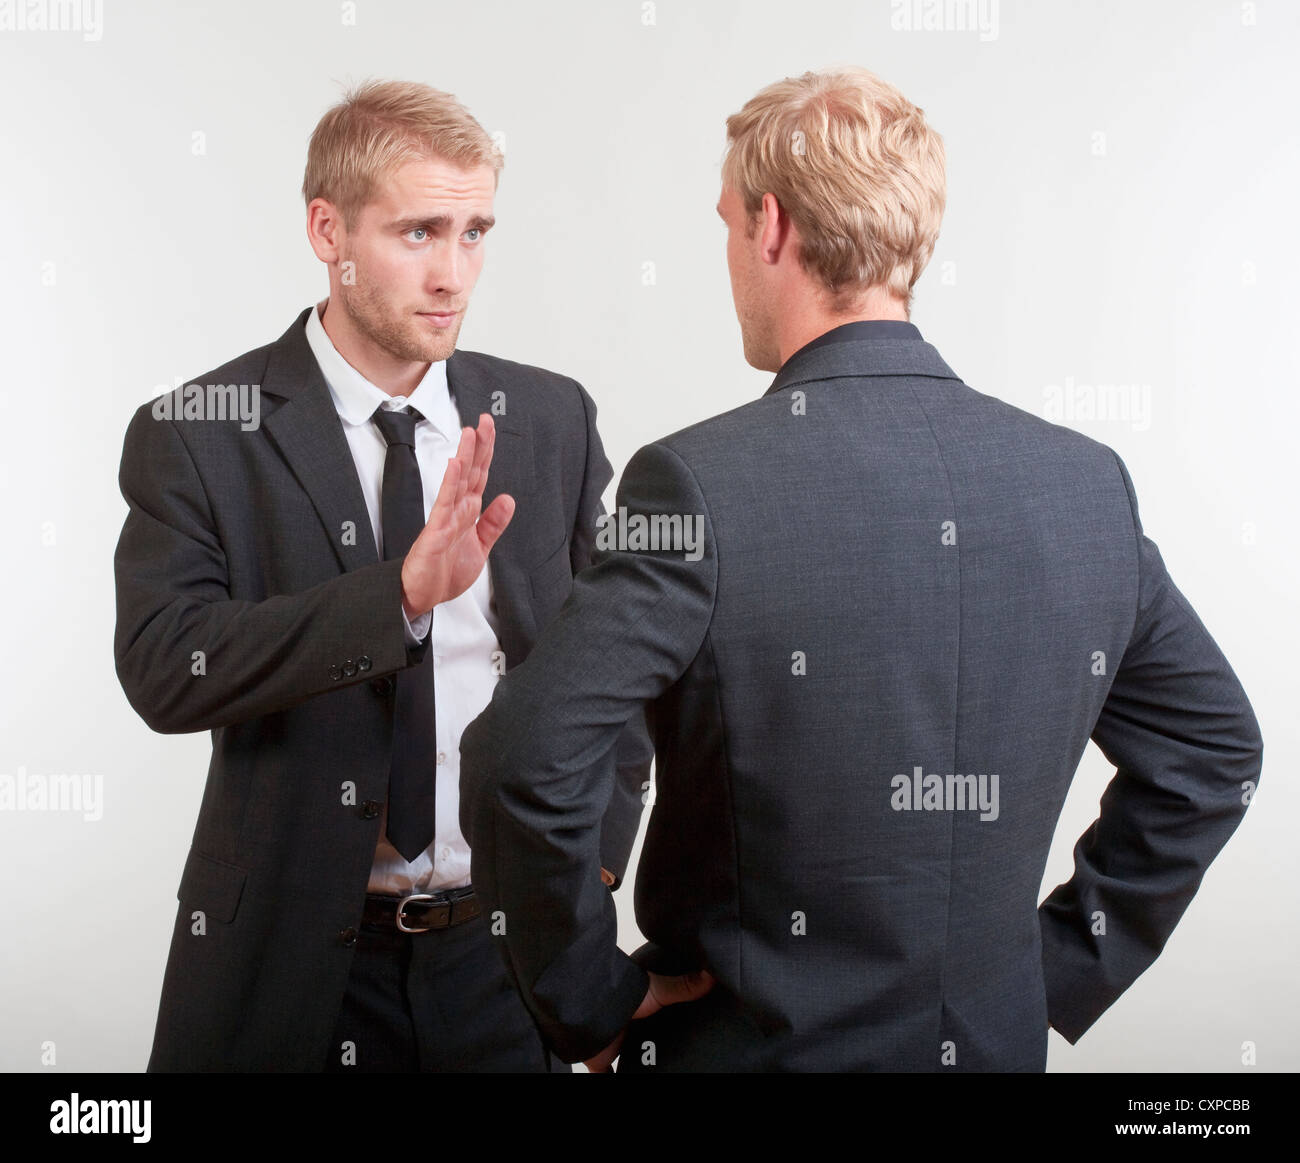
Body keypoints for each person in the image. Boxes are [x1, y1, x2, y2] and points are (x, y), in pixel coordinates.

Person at [460, 66, 1264, 1072]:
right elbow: (1215, 753)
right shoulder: (1084, 485)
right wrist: (1052, 969)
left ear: (770, 226)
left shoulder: (692, 485)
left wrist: (587, 1002)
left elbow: (520, 758)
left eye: (723, 225)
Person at [113, 79, 649, 1072]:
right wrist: (397, 594)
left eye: (475, 231)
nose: (454, 273)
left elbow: (612, 676)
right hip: (289, 961)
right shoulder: (197, 431)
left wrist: (591, 867)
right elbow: (162, 668)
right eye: (418, 233)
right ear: (329, 230)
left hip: (501, 957)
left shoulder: (550, 417)